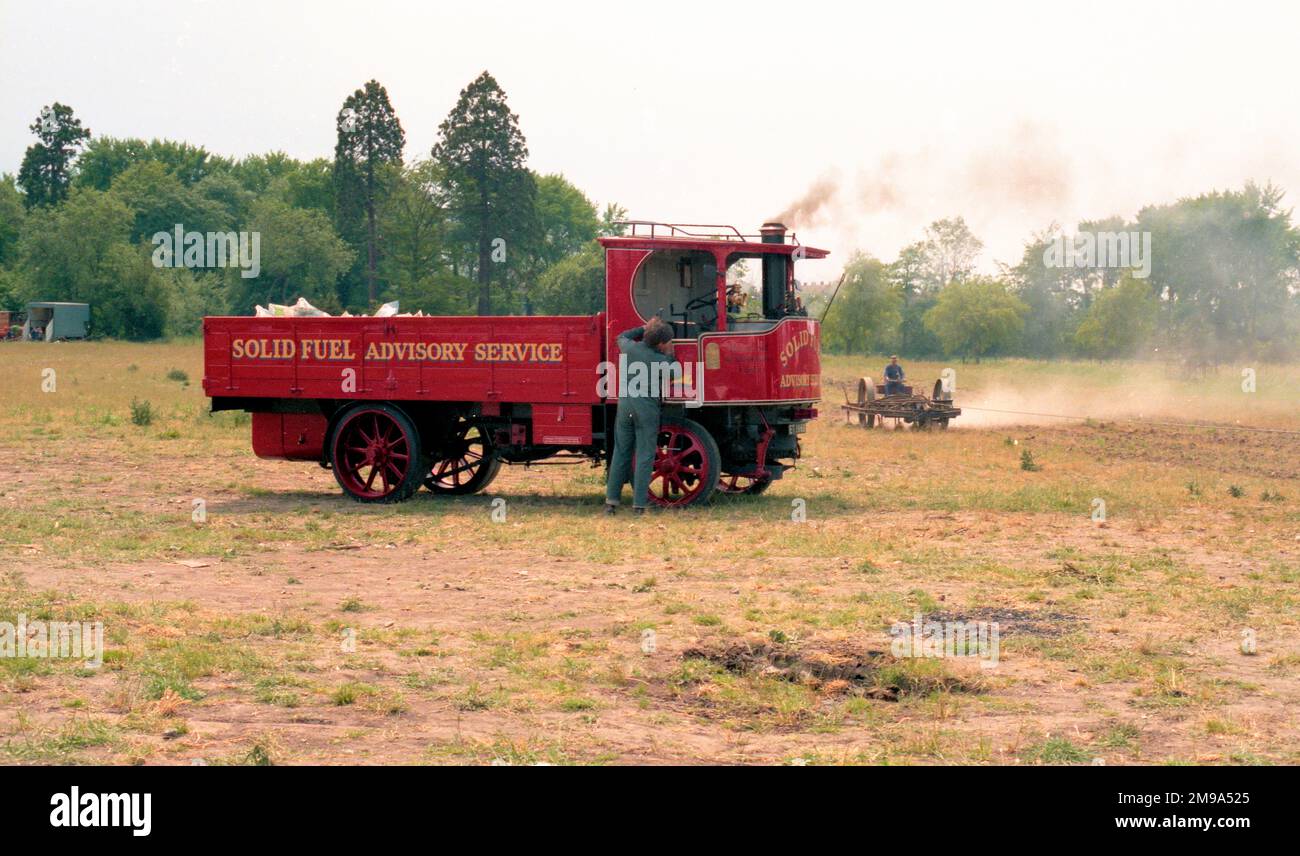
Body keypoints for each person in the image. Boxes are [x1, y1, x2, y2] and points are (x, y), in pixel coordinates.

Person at [605, 318, 675, 515]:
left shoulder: (630, 348)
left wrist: (644, 328)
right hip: (646, 410)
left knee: (621, 453)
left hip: (625, 407)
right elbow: (673, 372)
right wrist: (670, 352)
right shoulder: (659, 359)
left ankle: (611, 503)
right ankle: (639, 505)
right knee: (644, 456)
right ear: (661, 343)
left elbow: (622, 336)